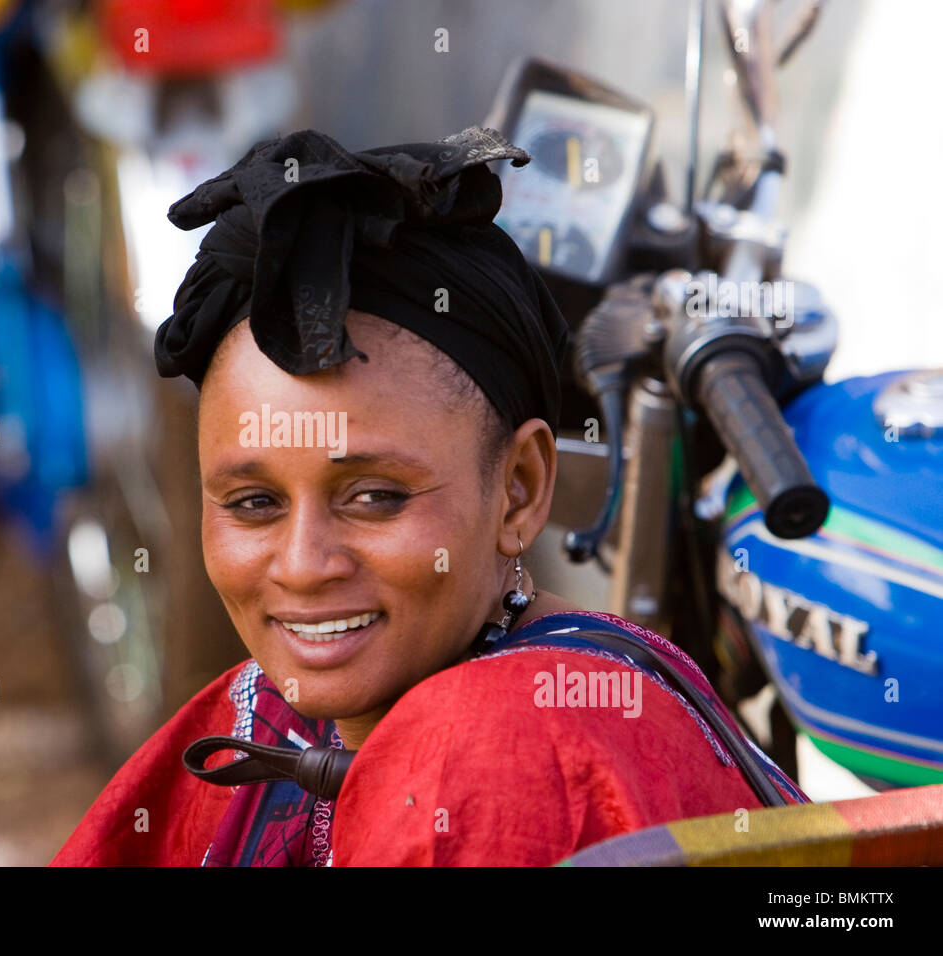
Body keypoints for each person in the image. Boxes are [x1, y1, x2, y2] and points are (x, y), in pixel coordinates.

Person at [50, 126, 804, 867]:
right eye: (253, 504)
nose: (305, 566)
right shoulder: (278, 711)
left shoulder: (492, 755)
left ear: (519, 489)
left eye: (375, 497)